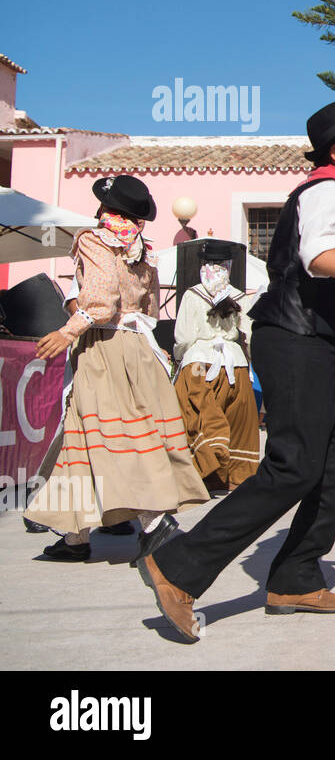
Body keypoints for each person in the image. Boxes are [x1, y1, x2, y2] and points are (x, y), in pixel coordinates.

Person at [137, 101, 335, 642]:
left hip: (319, 345)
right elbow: (321, 256)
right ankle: (177, 566)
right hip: (294, 342)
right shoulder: (326, 191)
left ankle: (296, 577)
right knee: (294, 465)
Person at [25, 175, 209, 562]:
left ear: (106, 210)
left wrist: (66, 331)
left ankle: (154, 523)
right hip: (137, 348)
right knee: (88, 435)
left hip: (104, 348)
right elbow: (150, 309)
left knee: (110, 437)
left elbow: (101, 303)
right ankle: (75, 537)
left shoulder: (95, 240)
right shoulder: (141, 250)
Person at [172, 239, 260, 493]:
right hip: (236, 367)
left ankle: (207, 463)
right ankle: (234, 477)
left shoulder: (192, 295)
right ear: (229, 267)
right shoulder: (240, 297)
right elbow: (250, 336)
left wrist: (179, 358)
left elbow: (185, 337)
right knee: (238, 422)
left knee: (198, 416)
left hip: (199, 364)